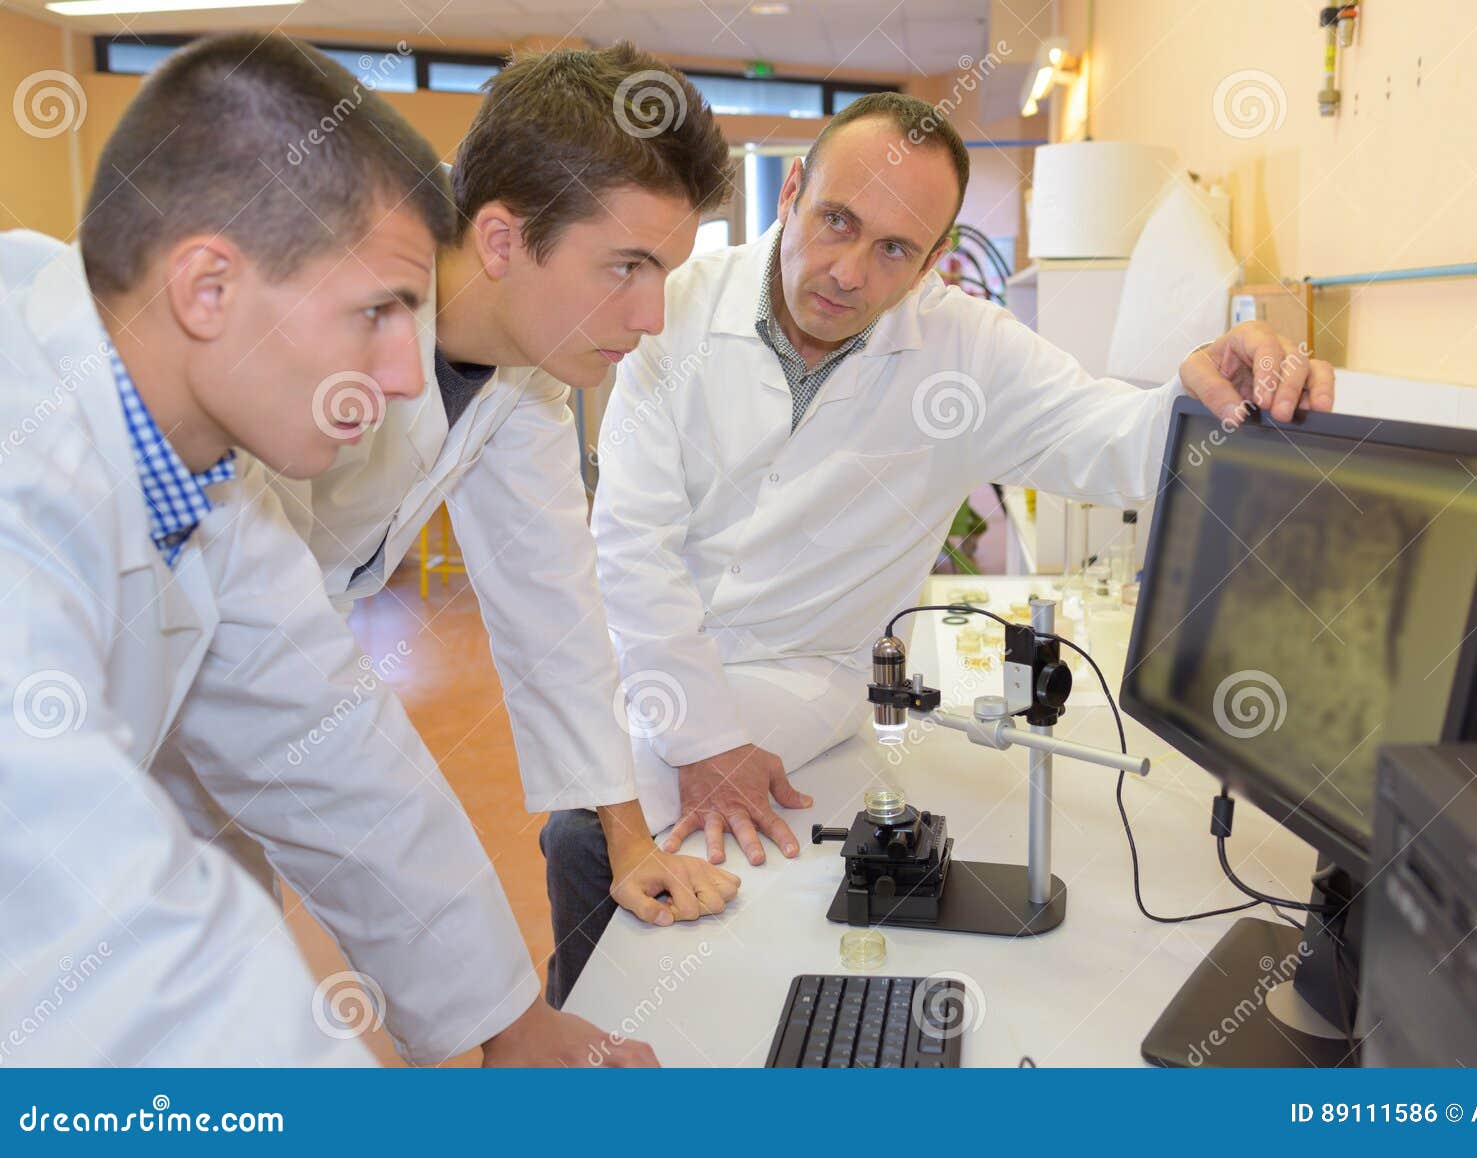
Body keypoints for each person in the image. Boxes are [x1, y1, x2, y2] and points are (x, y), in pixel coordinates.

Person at [570, 92, 1335, 991]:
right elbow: (631, 546)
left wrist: (1214, 392)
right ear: (793, 193)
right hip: (655, 659)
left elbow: (1111, 436)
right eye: (836, 222)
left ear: (934, 261)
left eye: (894, 249)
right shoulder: (681, 310)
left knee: (734, 906)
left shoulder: (967, 355)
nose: (850, 272)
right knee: (586, 831)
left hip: (798, 673)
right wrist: (700, 742)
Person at [0, 33, 649, 1066]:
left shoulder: (210, 474)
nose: (403, 377)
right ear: (207, 289)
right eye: (378, 314)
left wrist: (512, 1028)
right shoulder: (21, 473)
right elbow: (103, 960)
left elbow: (335, 750)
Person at [152, 43, 741, 1013]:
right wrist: (501, 1015)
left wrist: (629, 839)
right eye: (625, 267)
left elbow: (550, 600)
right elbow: (300, 690)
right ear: (504, 240)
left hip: (257, 661)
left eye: (666, 272)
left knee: (199, 960)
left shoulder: (522, 369)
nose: (650, 316)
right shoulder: (310, 323)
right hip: (156, 670)